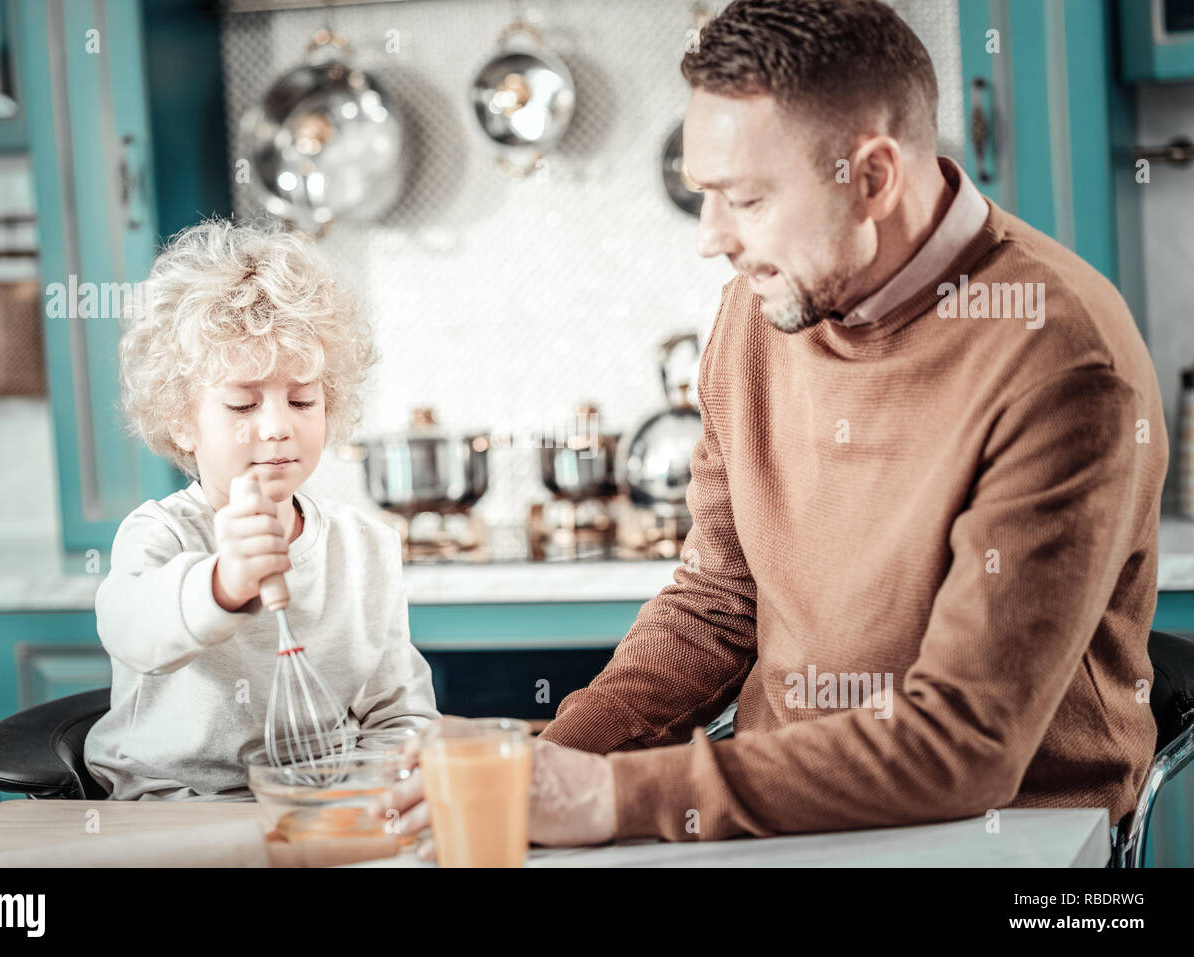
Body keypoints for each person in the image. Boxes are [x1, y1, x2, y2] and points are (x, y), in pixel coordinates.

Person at [374, 0, 1166, 854]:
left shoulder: (1058, 358)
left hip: (1008, 836)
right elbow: (717, 600)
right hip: (779, 818)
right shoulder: (759, 311)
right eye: (703, 195)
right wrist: (542, 768)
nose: (711, 239)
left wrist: (610, 796)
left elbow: (963, 744)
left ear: (871, 178)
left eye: (744, 198)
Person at [84, 220, 439, 800]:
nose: (278, 427)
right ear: (181, 418)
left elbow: (400, 715)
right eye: (243, 403)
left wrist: (371, 792)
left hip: (319, 804)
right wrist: (222, 583)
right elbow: (131, 630)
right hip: (174, 812)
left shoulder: (364, 547)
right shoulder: (161, 534)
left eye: (303, 399)